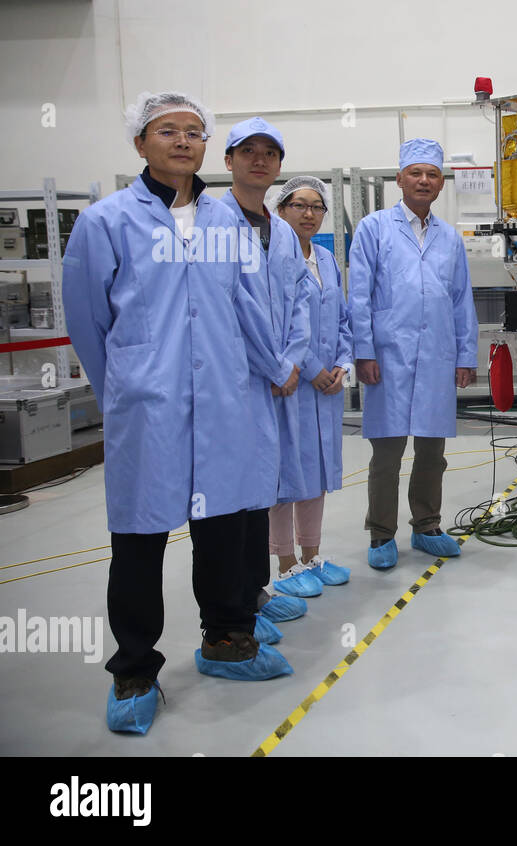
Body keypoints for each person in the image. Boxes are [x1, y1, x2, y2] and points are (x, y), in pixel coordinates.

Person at [63, 91, 295, 735]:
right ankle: (134, 667)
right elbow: (86, 318)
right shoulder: (106, 222)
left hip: (223, 399)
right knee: (138, 538)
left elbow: (250, 303)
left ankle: (226, 640)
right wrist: (126, 389)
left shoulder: (225, 222)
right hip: (148, 404)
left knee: (222, 527)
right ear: (140, 143)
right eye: (168, 131)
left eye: (194, 131)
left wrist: (274, 367)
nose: (184, 141)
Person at [349, 138, 478, 569]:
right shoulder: (374, 229)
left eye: (433, 174)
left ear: (441, 183)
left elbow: (461, 300)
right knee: (386, 453)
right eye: (416, 173)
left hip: (437, 355)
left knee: (431, 451)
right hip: (388, 355)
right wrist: (363, 350)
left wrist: (465, 355)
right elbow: (359, 297)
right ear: (400, 178)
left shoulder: (449, 238)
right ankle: (381, 534)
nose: (424, 180)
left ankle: (427, 526)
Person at [218, 118, 319, 635]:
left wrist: (295, 358)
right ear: (228, 160)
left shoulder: (281, 232)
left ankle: (256, 592)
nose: (259, 160)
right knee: (232, 500)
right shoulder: (213, 223)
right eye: (247, 151)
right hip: (237, 381)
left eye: (269, 153)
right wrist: (279, 366)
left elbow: (303, 296)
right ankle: (230, 610)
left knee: (263, 490)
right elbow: (232, 306)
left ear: (278, 165)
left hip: (280, 377)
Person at [271, 176, 353, 589]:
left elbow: (341, 318)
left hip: (327, 388)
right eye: (299, 205)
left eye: (316, 207)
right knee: (288, 473)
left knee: (317, 471)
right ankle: (285, 566)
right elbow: (279, 324)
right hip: (292, 384)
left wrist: (341, 364)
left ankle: (311, 555)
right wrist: (313, 367)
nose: (308, 213)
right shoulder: (273, 256)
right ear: (281, 209)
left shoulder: (326, 259)